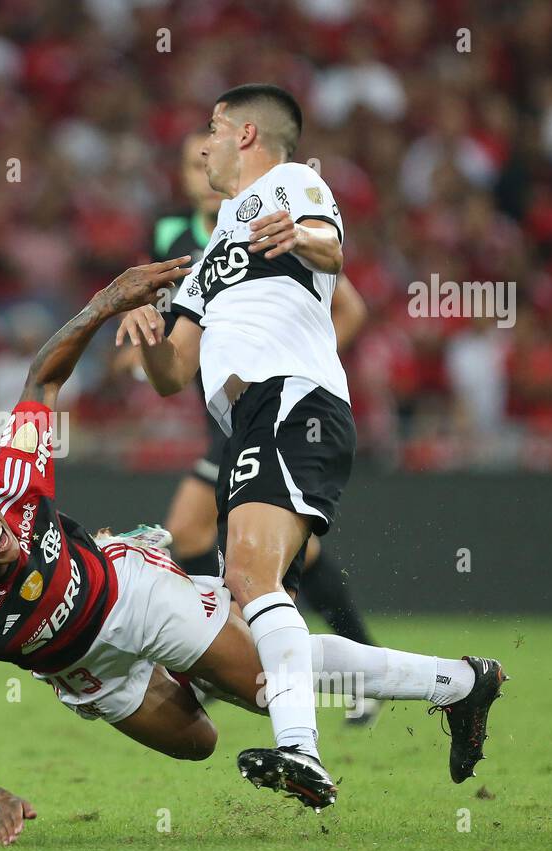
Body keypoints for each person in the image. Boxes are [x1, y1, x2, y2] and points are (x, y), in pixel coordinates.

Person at [0, 258, 507, 844]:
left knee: (266, 686)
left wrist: (106, 302)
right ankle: (211, 654)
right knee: (200, 743)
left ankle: (455, 682)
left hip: (133, 595)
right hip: (90, 674)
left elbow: (43, 378)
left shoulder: (14, 485)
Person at [115, 84, 503, 807]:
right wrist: (144, 336)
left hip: (294, 399)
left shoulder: (287, 185)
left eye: (214, 128)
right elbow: (173, 375)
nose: (203, 144)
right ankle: (462, 684)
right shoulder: (208, 258)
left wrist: (302, 236)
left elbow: (331, 245)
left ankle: (301, 751)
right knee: (259, 631)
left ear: (250, 134)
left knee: (253, 582)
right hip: (249, 425)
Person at [138, 132, 381, 726]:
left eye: (211, 149)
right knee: (276, 556)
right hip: (224, 409)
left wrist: (292, 361)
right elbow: (178, 343)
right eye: (191, 154)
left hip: (272, 402)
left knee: (195, 533)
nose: (201, 163)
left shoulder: (263, 216)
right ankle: (352, 669)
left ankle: (220, 662)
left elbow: (346, 302)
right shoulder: (176, 239)